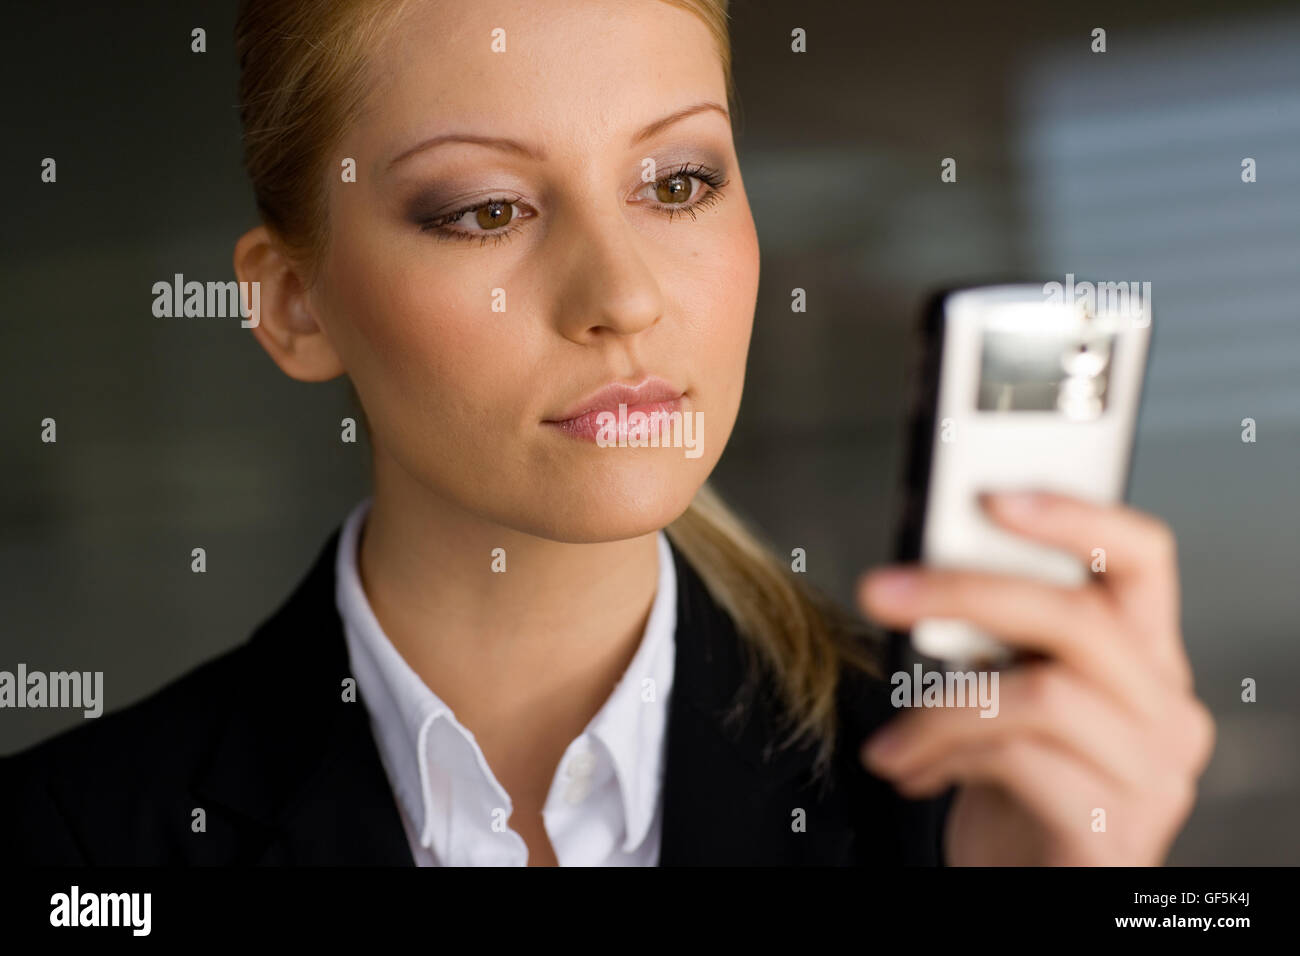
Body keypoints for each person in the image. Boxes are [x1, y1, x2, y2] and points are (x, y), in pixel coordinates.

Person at [0, 0, 1214, 866]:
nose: (623, 297)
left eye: (677, 182)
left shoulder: (957, 787)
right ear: (292, 304)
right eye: (486, 209)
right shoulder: (71, 844)